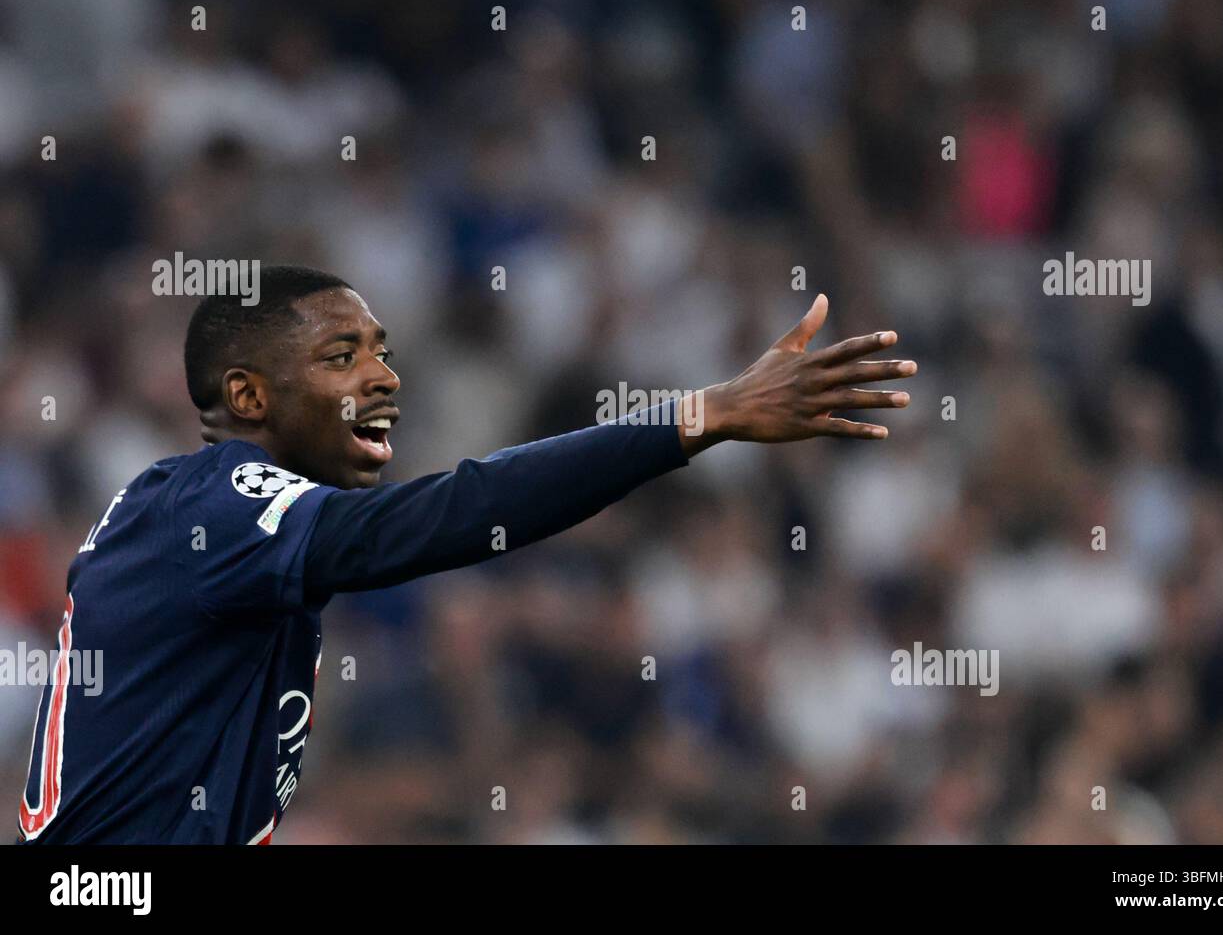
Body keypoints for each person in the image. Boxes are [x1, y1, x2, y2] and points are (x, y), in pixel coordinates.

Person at [17, 265, 915, 844]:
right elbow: (451, 512)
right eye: (342, 355)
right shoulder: (211, 500)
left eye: (384, 352)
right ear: (248, 393)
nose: (384, 377)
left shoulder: (220, 533)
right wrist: (697, 417)